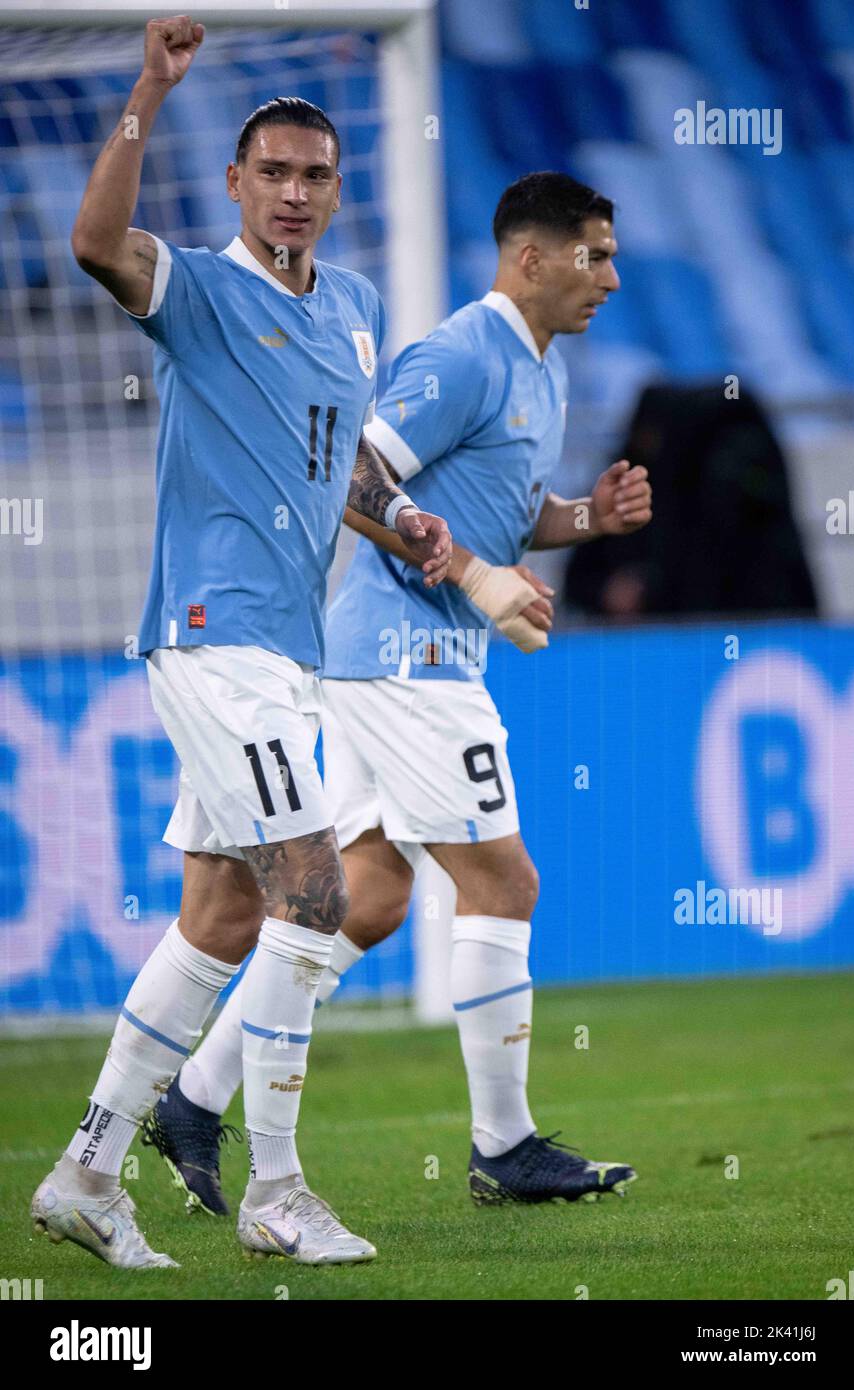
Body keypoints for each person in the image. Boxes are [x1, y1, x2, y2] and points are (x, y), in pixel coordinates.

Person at [143, 171, 652, 1215]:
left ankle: (194, 1096)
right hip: (402, 656)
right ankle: (502, 1145)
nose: (608, 274)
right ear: (529, 257)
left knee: (366, 899)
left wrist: (584, 518)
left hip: (415, 656)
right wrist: (470, 573)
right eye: (592, 253)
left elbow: (498, 513)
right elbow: (353, 473)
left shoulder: (541, 371)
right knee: (504, 884)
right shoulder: (464, 352)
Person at [30, 14, 450, 1270]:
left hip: (286, 646)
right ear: (236, 183)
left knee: (217, 917)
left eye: (315, 174)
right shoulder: (202, 292)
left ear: (335, 189)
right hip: (209, 636)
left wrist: (403, 524)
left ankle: (89, 1172)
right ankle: (275, 1188)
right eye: (271, 172)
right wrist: (148, 91)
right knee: (312, 892)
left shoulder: (358, 309)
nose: (293, 193)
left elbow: (340, 476)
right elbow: (95, 242)